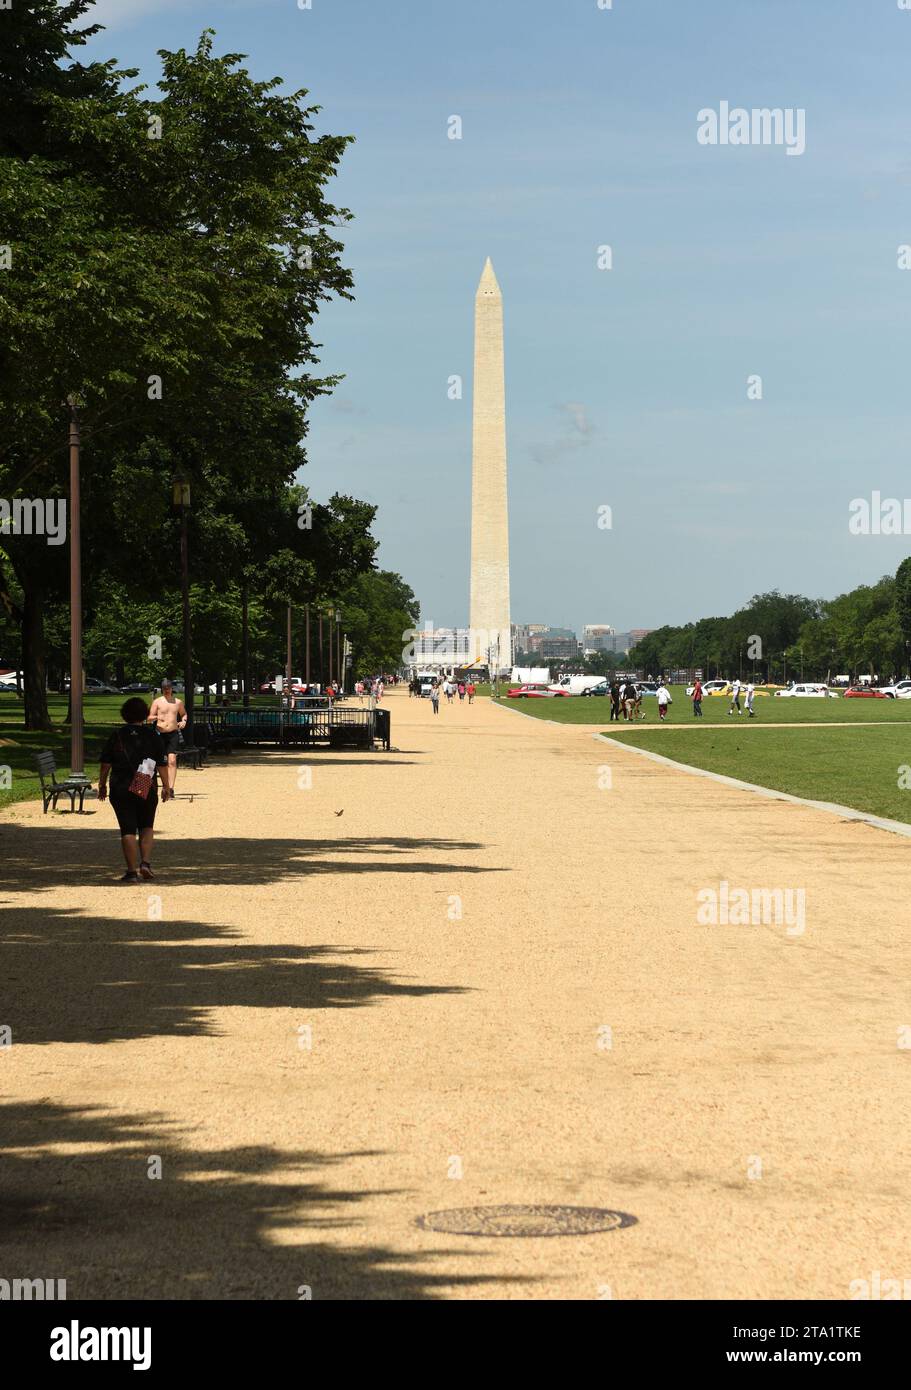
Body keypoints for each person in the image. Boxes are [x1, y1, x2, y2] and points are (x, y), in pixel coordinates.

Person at [98, 698, 170, 882]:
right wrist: (166, 787)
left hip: (121, 784)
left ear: (124, 714)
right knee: (146, 825)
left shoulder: (117, 735)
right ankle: (145, 862)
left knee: (127, 829)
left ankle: (131, 871)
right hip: (145, 782)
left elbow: (106, 763)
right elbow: (162, 764)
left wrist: (102, 785)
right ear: (145, 714)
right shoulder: (153, 735)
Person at [147, 679, 187, 795]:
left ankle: (170, 788)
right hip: (159, 733)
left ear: (171, 688)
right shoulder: (157, 702)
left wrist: (184, 721)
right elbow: (149, 717)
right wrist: (156, 718)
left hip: (172, 733)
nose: (166, 690)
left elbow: (183, 714)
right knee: (153, 761)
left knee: (172, 760)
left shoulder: (178, 702)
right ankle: (146, 787)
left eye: (168, 688)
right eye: (164, 688)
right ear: (161, 689)